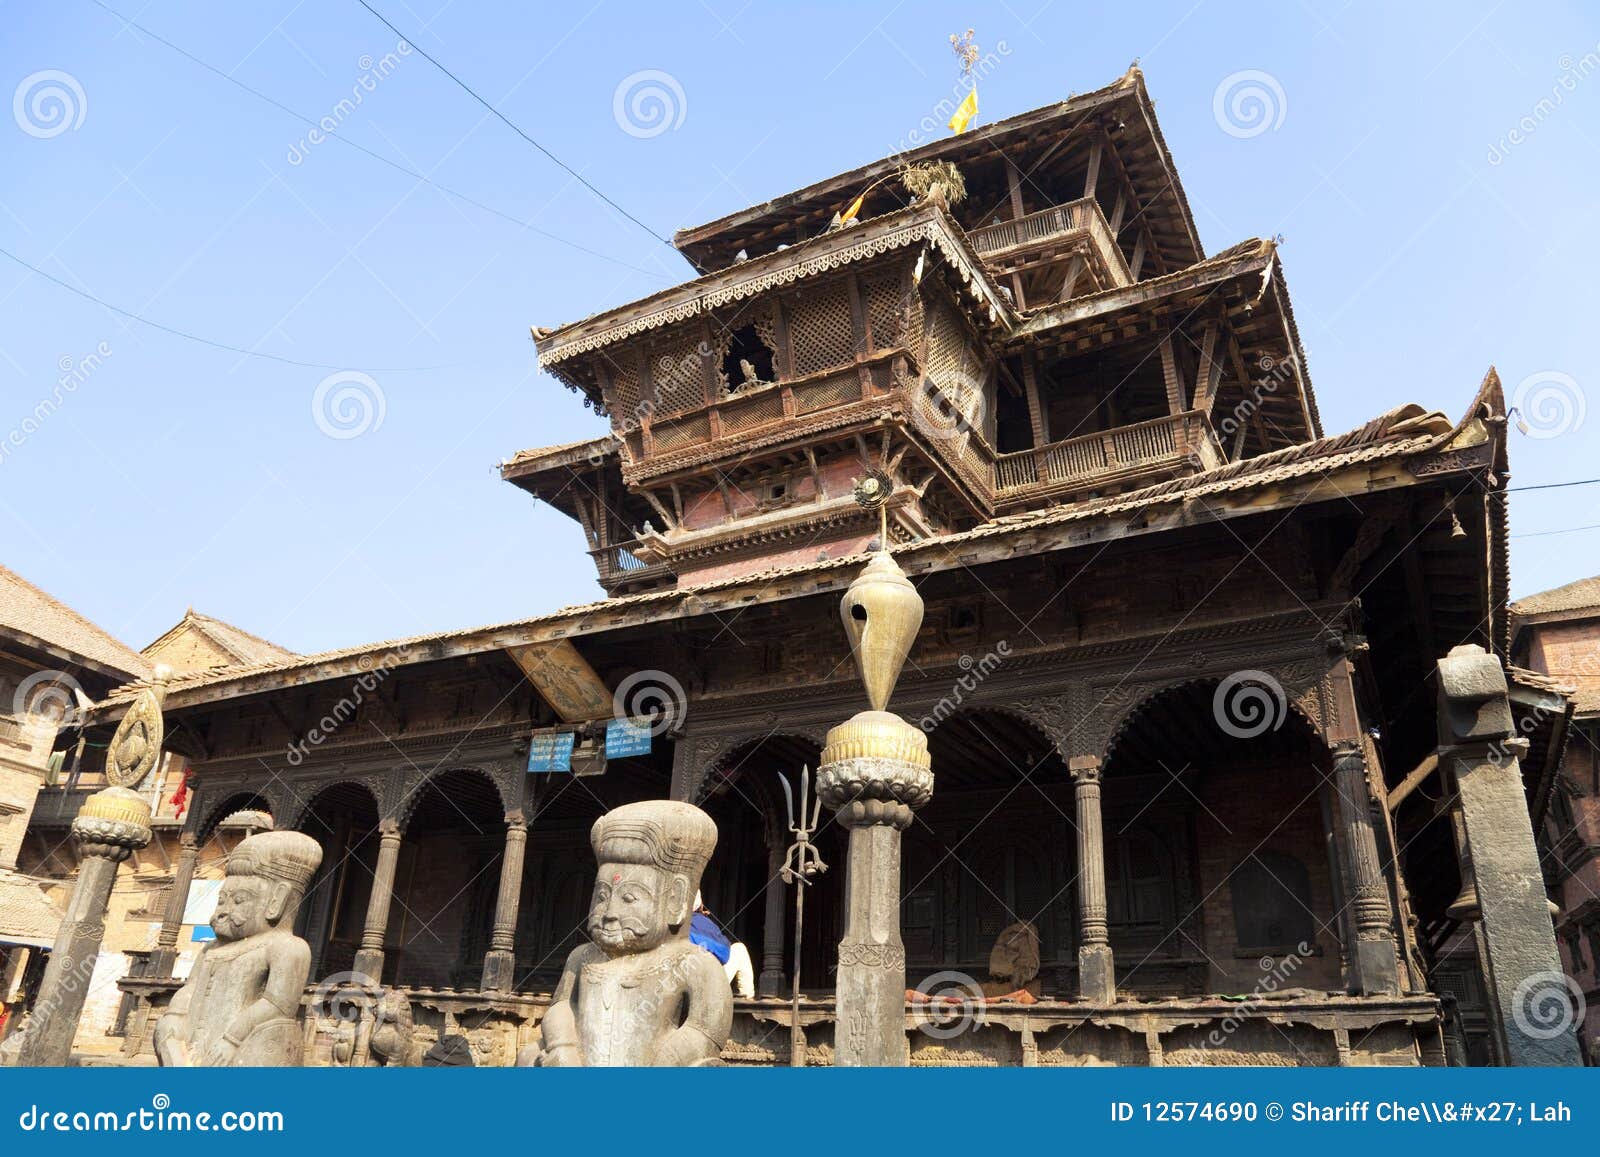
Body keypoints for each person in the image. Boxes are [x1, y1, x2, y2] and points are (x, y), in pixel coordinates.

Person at [692, 892, 754, 999]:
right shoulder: (699, 922)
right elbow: (724, 953)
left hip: (676, 983)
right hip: (705, 986)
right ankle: (748, 999)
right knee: (739, 949)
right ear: (700, 904)